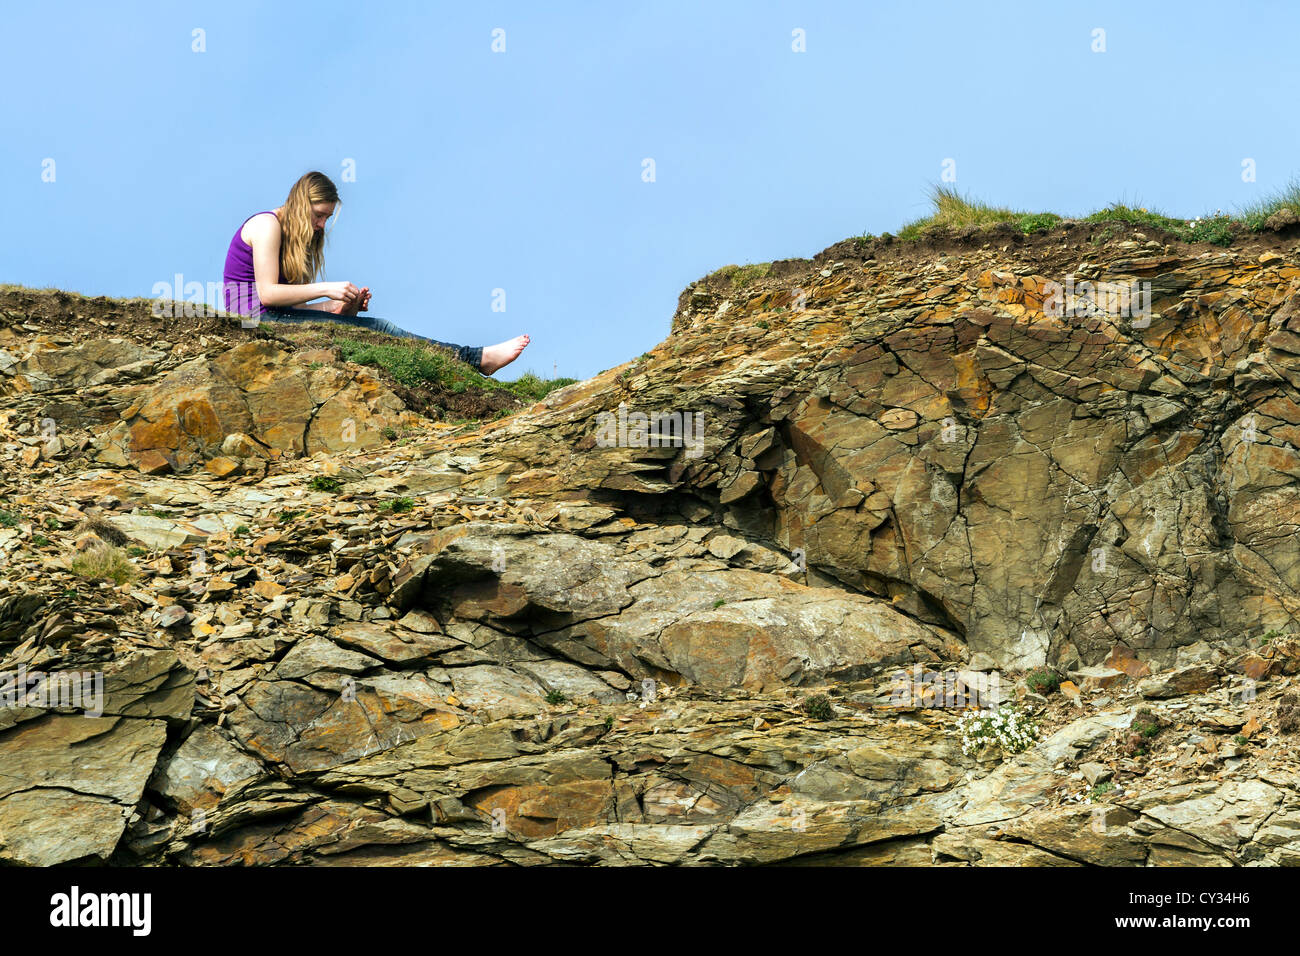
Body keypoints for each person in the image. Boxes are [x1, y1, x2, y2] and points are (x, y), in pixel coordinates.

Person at [221, 171, 529, 375]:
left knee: (372, 326)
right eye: (319, 215)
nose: (321, 225)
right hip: (253, 321)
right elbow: (268, 295)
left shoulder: (297, 238)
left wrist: (338, 306)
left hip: (274, 318)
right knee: (381, 328)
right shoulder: (267, 225)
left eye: (327, 217)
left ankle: (472, 359)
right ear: (302, 204)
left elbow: (294, 307)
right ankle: (476, 359)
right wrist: (326, 288)